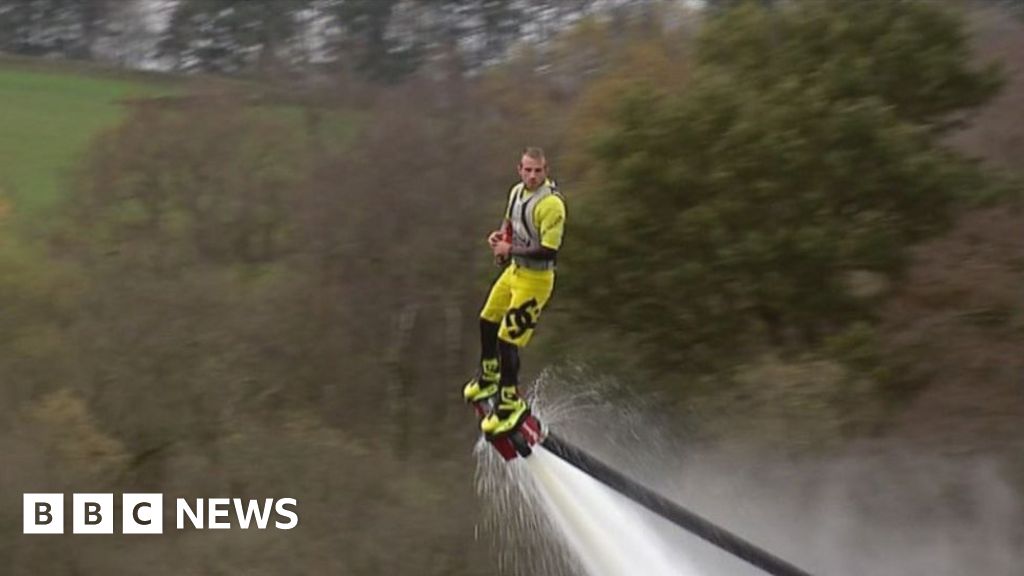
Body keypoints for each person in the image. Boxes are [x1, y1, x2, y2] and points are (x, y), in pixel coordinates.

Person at [463, 147, 566, 437]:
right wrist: (500, 240)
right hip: (514, 272)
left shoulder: (552, 205)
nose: (532, 176)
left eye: (538, 170)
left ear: (546, 171)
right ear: (519, 169)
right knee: (487, 320)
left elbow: (549, 248)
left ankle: (510, 401)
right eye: (528, 170)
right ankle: (489, 375)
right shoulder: (516, 193)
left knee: (508, 339)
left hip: (536, 279)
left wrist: (511, 249)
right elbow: (510, 223)